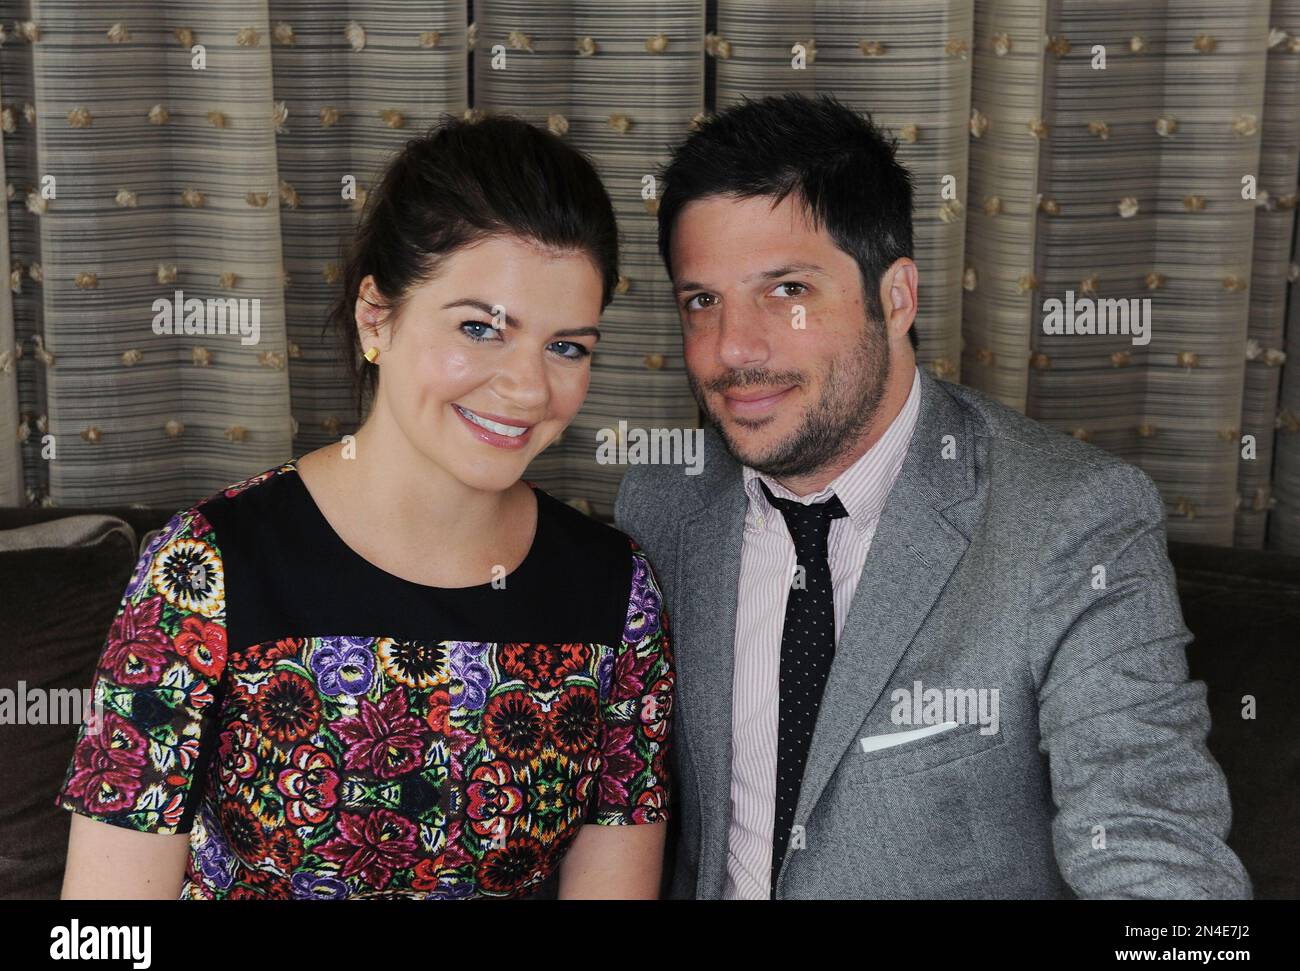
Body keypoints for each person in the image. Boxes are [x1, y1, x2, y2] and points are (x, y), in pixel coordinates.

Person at [615, 93, 1250, 899]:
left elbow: (1154, 847)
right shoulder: (662, 504)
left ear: (897, 296)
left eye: (787, 290)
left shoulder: (1075, 518)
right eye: (702, 300)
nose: (732, 348)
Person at [56, 114, 674, 899]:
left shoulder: (617, 592)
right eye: (481, 328)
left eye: (566, 346)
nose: (527, 387)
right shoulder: (204, 568)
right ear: (375, 315)